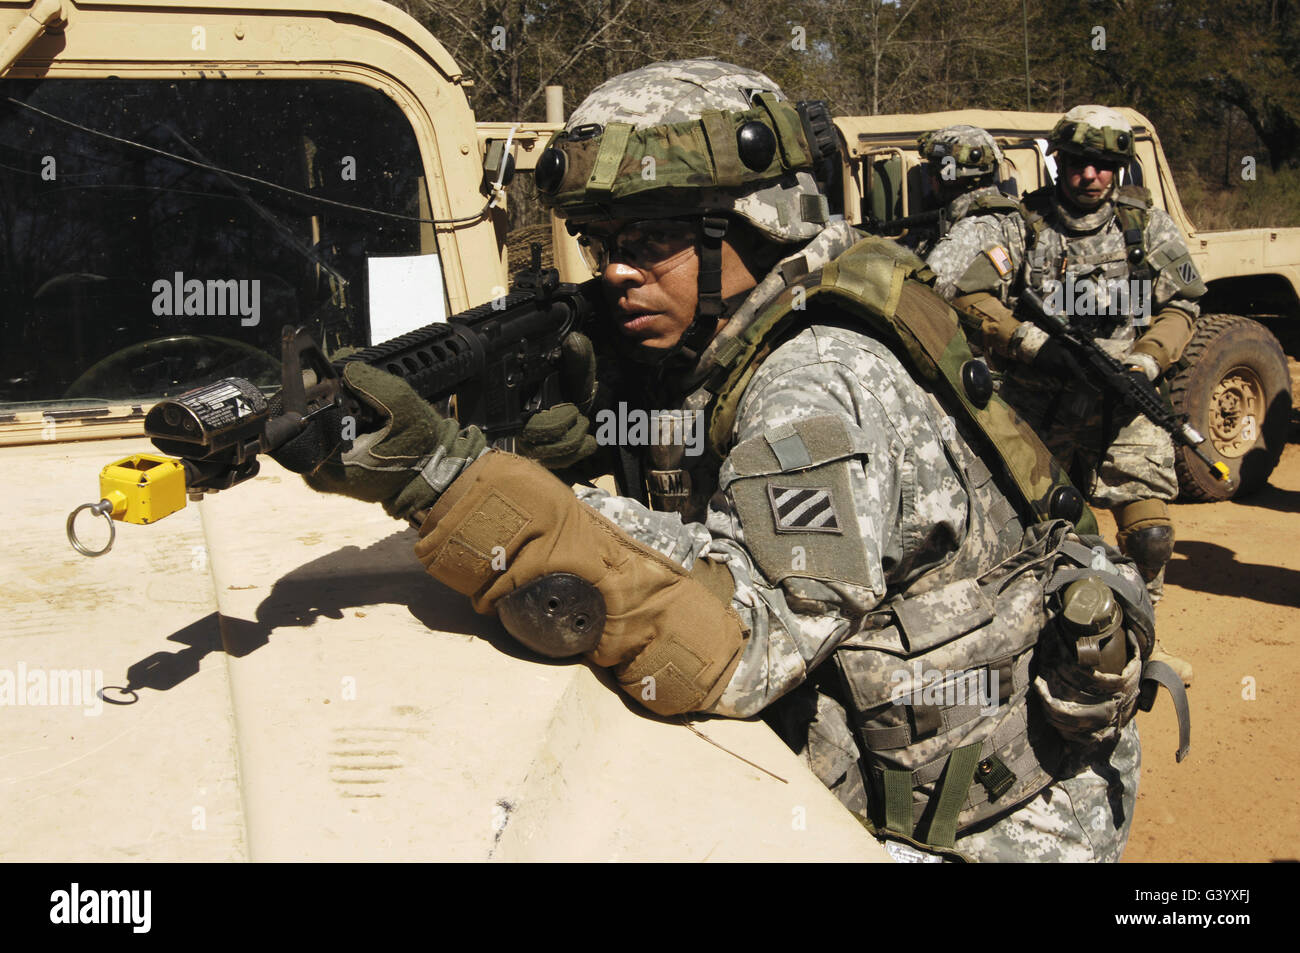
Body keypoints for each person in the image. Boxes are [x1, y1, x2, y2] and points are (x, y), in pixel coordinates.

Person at [281, 64, 1158, 862]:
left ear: (747, 227)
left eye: (647, 243)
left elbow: (734, 652)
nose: (615, 272)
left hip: (992, 833)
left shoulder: (817, 385)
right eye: (597, 242)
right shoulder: (751, 328)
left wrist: (449, 481)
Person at [927, 105, 1203, 686]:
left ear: (1119, 170)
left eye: (1105, 165)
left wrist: (1148, 360)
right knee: (1025, 534)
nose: (1090, 177)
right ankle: (1033, 649)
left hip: (1124, 402)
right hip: (1038, 402)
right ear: (1060, 163)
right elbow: (969, 294)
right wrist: (1032, 343)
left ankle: (1136, 641)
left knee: (1149, 537)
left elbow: (1183, 304)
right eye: (1078, 163)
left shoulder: (1144, 226)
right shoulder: (1021, 223)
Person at [909, 124, 1019, 261]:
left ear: (950, 177)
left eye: (932, 170)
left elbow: (925, 281)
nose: (930, 180)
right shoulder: (1012, 213)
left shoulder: (969, 233)